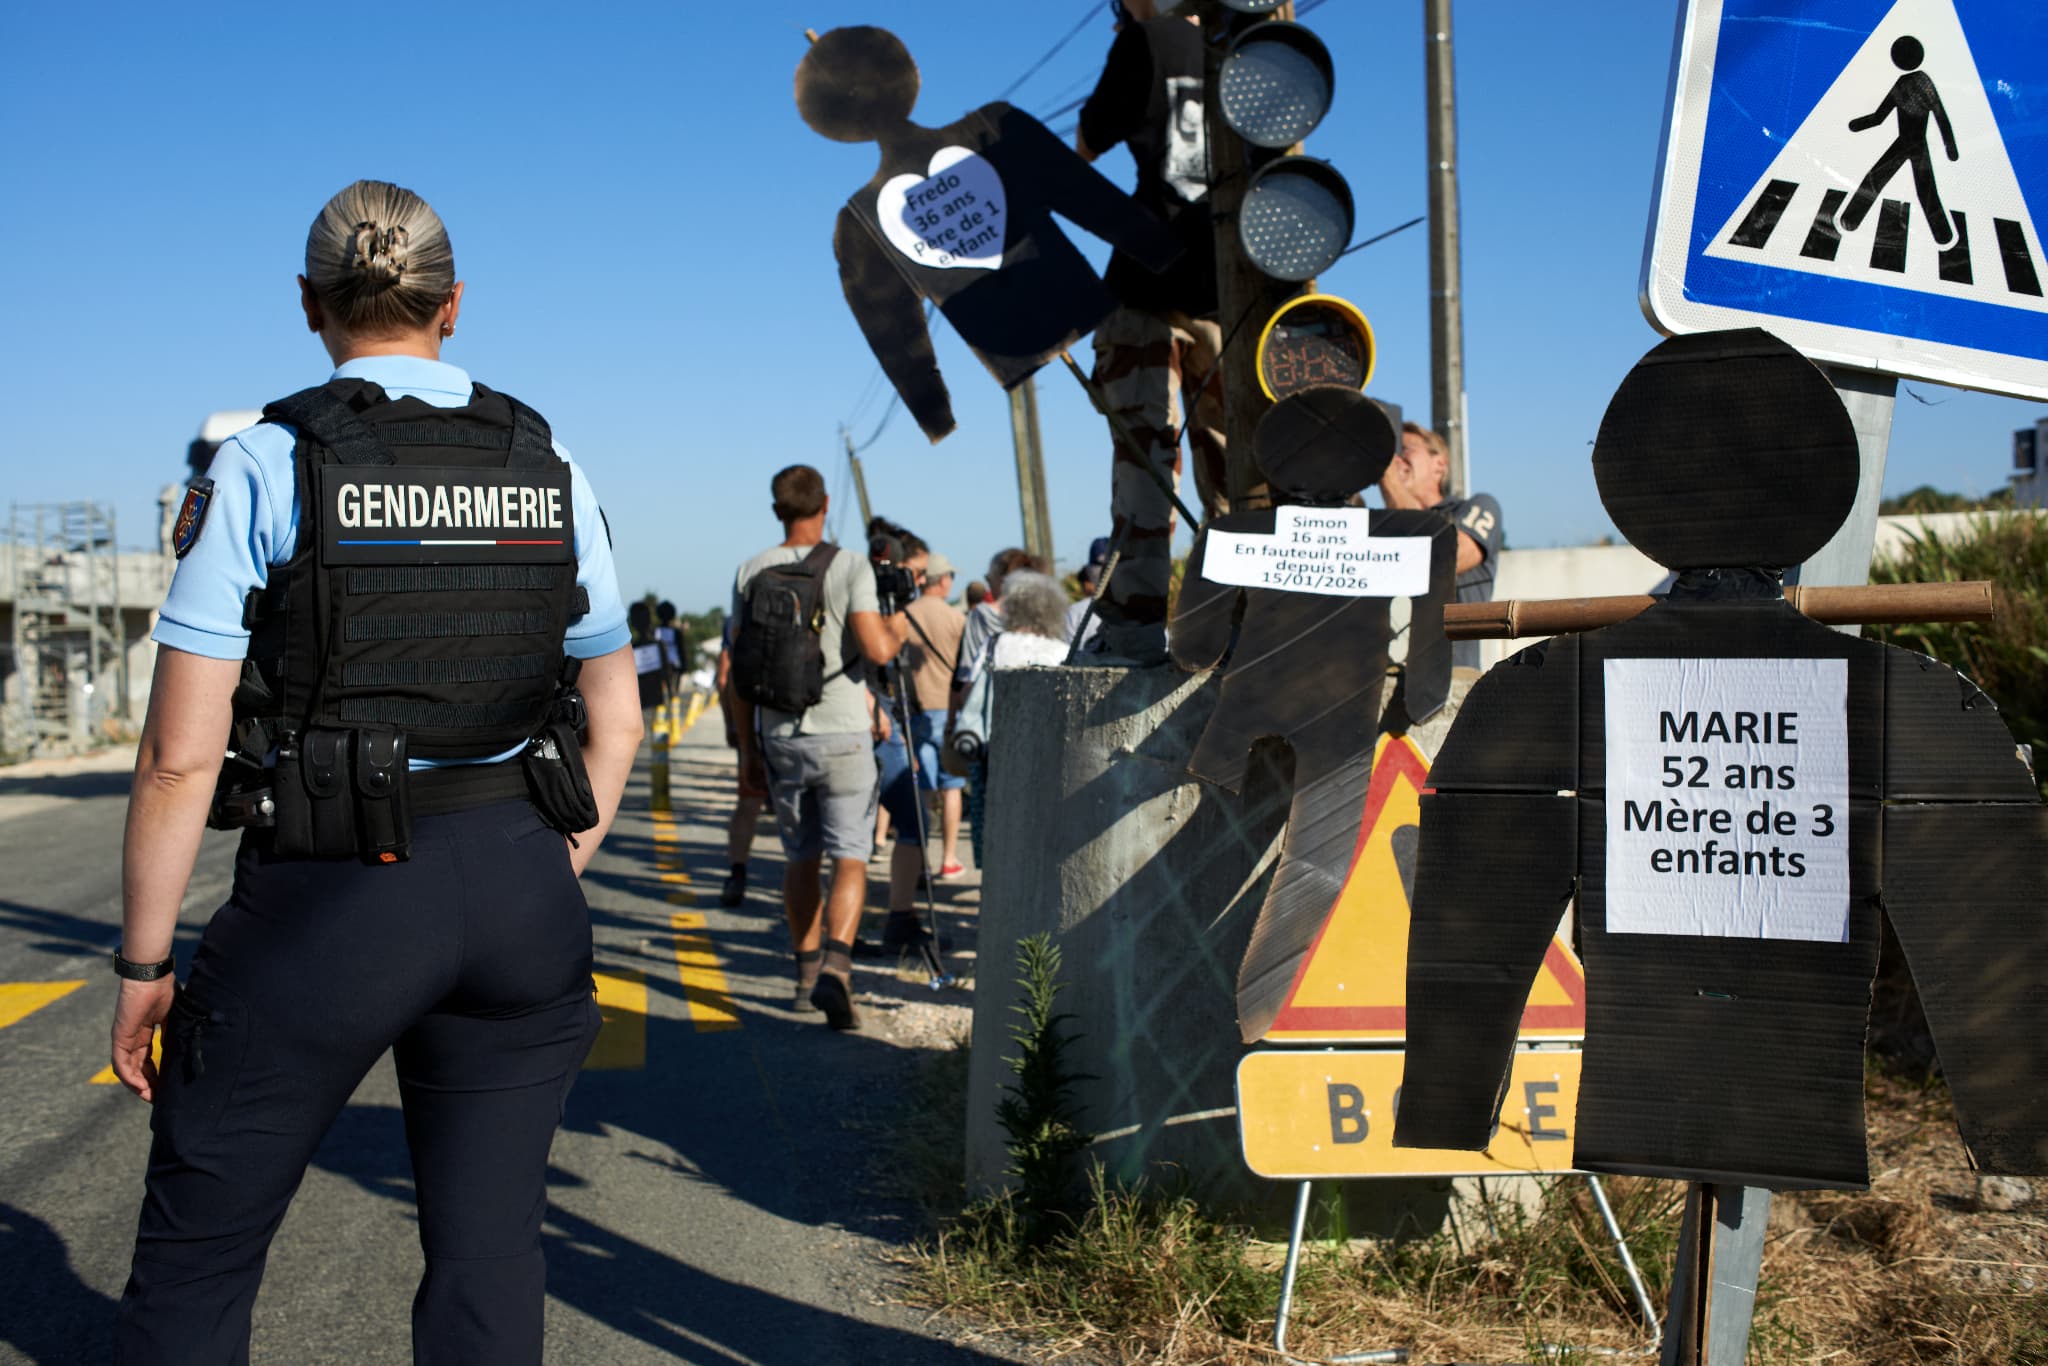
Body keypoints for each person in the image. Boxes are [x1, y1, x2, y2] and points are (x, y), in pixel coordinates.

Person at [109, 179, 640, 1364]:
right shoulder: (548, 460)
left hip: (332, 888)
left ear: (309, 305)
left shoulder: (265, 460)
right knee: (490, 1251)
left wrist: (145, 961)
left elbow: (176, 756)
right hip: (517, 885)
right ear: (454, 306)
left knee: (200, 1256)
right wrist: (553, 858)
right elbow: (617, 718)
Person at [728, 465, 907, 1028]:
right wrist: (899, 619)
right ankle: (837, 967)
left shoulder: (751, 569)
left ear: (776, 508)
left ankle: (804, 977)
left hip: (779, 735)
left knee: (800, 857)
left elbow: (737, 671)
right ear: (826, 504)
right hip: (843, 730)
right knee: (850, 854)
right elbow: (878, 651)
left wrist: (747, 750)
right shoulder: (851, 565)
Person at [1077, 0, 1227, 663]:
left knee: (1144, 458)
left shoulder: (1143, 40)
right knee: (1236, 467)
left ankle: (1135, 631)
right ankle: (1233, 623)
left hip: (1144, 278)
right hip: (1231, 288)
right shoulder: (1256, 44)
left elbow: (1085, 146)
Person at [1377, 421, 1503, 671]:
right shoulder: (1379, 528)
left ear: (1439, 464)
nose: (1395, 458)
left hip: (1452, 679)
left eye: (1405, 449)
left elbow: (1448, 556)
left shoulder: (1478, 507)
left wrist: (1388, 477)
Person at [899, 550, 968, 878]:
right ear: (943, 581)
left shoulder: (903, 615)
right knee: (951, 786)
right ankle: (949, 858)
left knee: (922, 789)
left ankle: (920, 861)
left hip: (913, 709)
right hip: (947, 708)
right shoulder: (956, 619)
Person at [714, 623, 766, 907]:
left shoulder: (739, 613)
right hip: (801, 720)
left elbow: (725, 678)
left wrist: (732, 724)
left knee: (748, 802)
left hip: (754, 723)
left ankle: (737, 874)